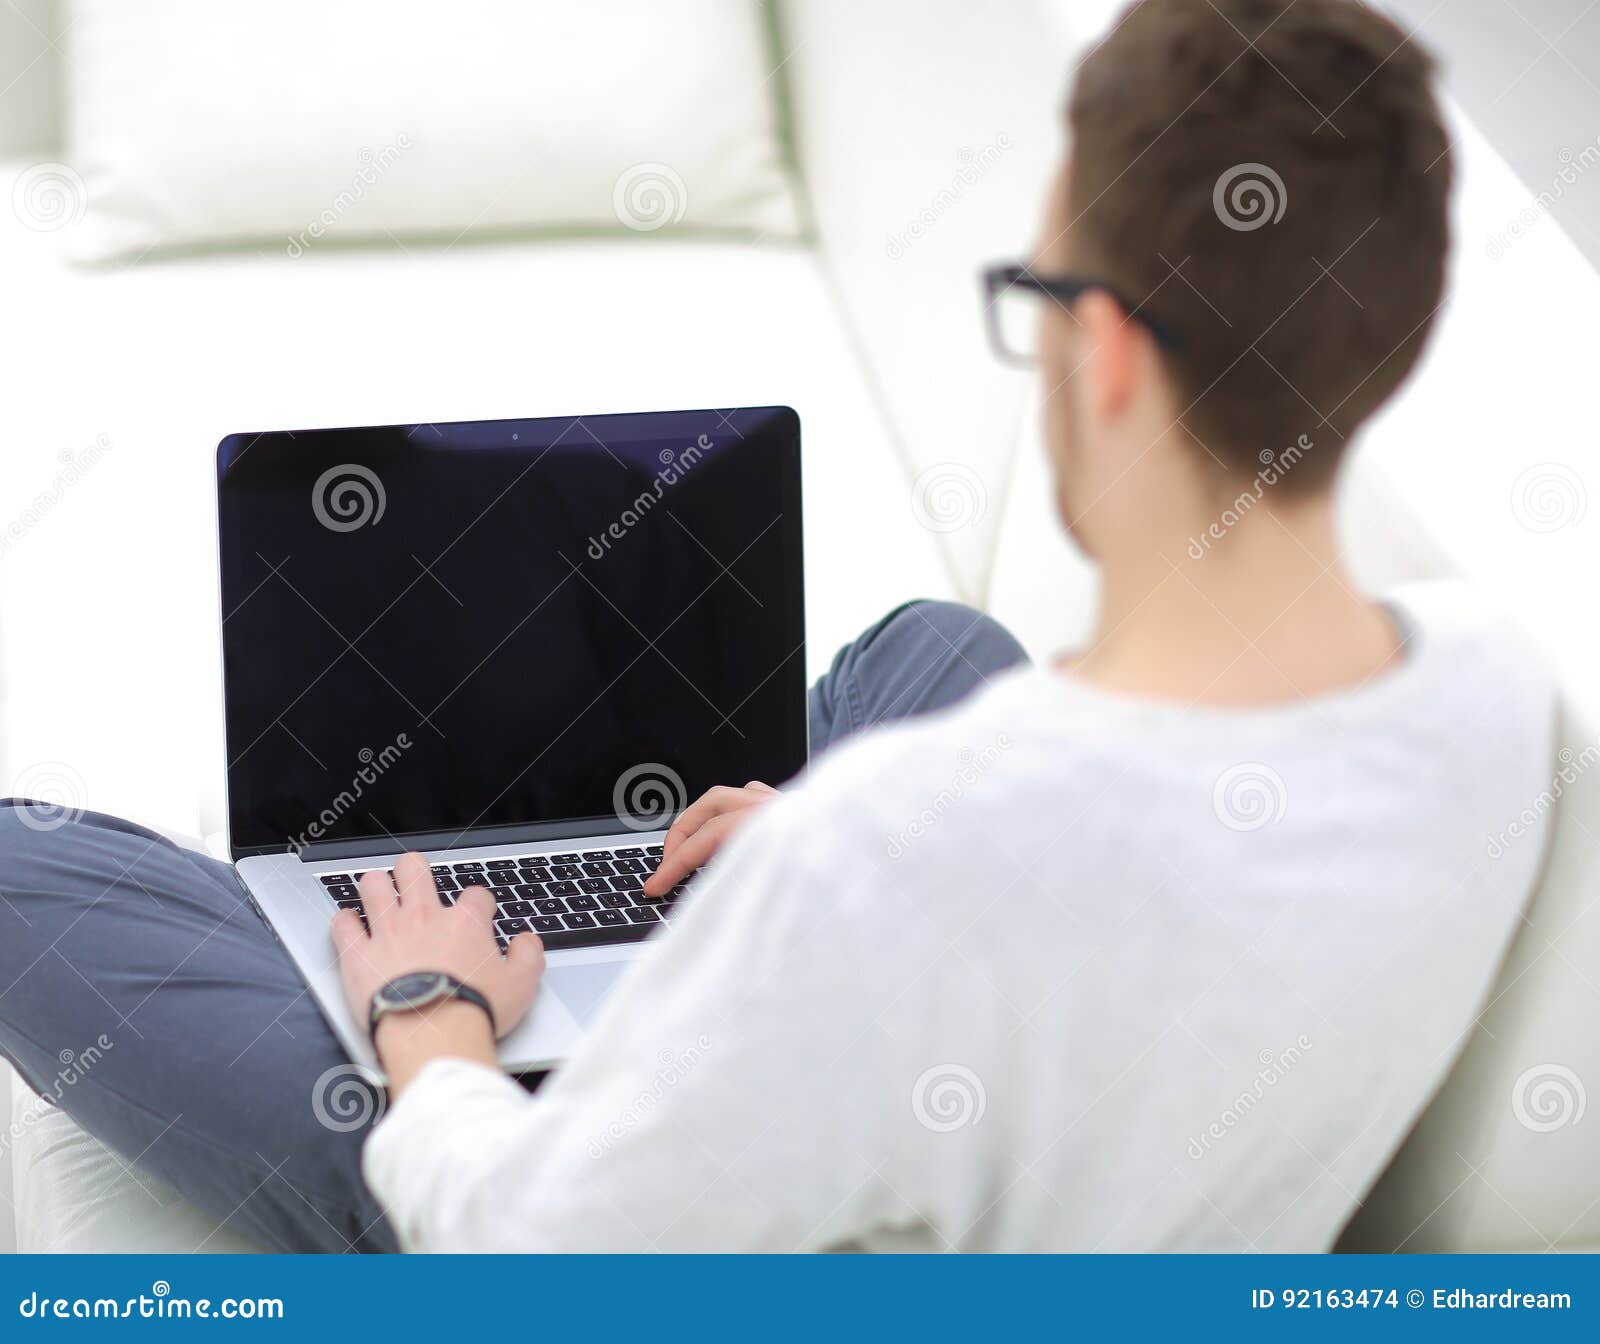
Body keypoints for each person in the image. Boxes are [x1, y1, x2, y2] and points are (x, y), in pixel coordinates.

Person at [0, 0, 1556, 1252]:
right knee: (936, 645)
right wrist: (827, 848)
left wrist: (433, 1015)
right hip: (908, 1072)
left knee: (21, 874)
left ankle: (387, 966)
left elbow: (521, 1258)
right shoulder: (1493, 693)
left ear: (1107, 358)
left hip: (626, 1234)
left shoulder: (879, 853)